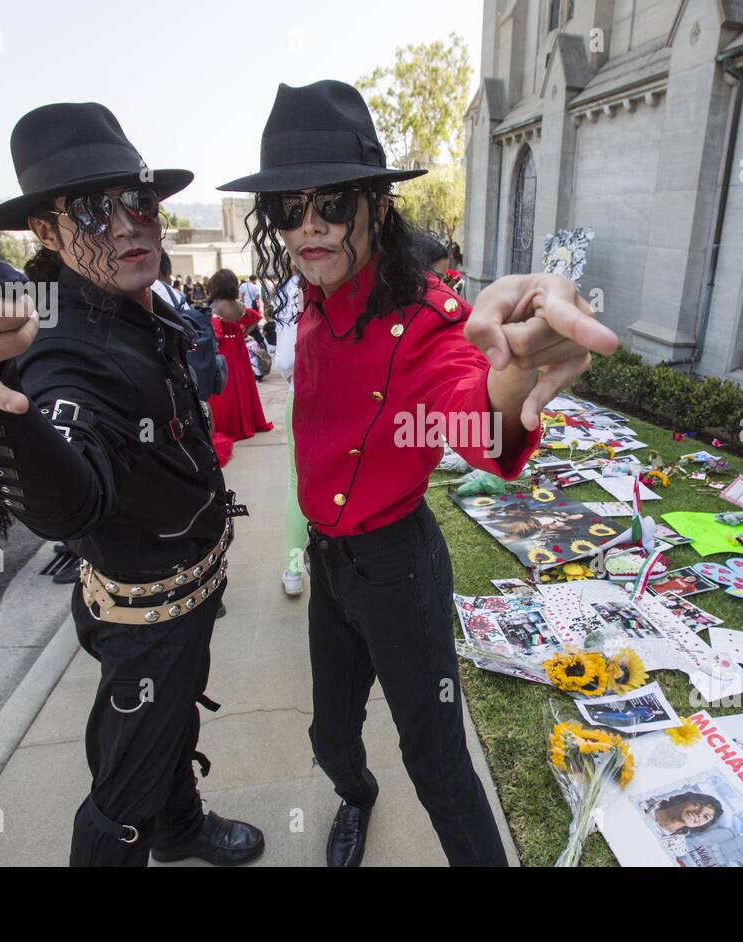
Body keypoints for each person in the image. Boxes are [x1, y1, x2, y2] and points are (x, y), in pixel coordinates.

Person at [221, 80, 617, 866]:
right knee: (331, 736)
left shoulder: (422, 319)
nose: (308, 227)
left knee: (434, 759)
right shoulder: (311, 295)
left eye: (329, 203)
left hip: (397, 568)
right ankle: (355, 799)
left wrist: (513, 363)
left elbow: (472, 412)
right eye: (287, 210)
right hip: (330, 567)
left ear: (374, 203)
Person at [0, 102, 262, 867]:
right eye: (95, 210)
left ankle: (179, 826)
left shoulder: (137, 304)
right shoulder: (65, 346)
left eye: (138, 200)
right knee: (118, 803)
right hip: (146, 622)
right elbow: (71, 500)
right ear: (48, 233)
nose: (129, 224)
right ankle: (153, 828)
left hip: (181, 595)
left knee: (169, 737)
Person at [206, 268, 272, 464]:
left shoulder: (216, 306)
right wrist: (241, 332)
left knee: (225, 388)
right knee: (242, 385)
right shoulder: (238, 305)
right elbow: (255, 317)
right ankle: (246, 422)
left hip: (225, 350)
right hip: (239, 348)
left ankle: (229, 425)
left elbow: (215, 334)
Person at [267, 274, 305, 597]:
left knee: (298, 482)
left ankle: (294, 569)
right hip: (360, 398)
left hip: (304, 394)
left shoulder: (292, 288)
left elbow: (285, 360)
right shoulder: (360, 269)